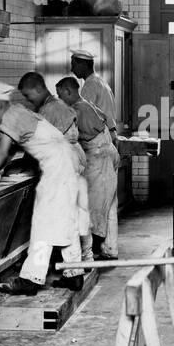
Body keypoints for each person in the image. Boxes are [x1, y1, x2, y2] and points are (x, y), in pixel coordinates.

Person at [0, 79, 86, 296]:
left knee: (44, 223)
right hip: (67, 163)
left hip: (56, 170)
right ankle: (74, 274)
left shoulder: (10, 117)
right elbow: (30, 145)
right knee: (66, 219)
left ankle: (30, 279)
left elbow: (2, 153)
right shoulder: (19, 111)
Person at [18, 70, 93, 268]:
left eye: (28, 95)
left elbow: (40, 142)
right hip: (73, 162)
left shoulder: (49, 110)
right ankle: (77, 266)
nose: (28, 100)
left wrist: (23, 163)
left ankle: (37, 271)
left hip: (65, 167)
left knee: (53, 219)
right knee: (72, 216)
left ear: (39, 89)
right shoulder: (57, 105)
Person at [56, 76, 119, 260]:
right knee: (109, 206)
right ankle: (110, 249)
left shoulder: (77, 109)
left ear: (68, 91)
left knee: (92, 207)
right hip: (108, 153)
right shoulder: (87, 104)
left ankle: (89, 255)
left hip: (99, 158)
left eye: (60, 94)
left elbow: (69, 137)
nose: (59, 99)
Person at [69, 49, 117, 138]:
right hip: (109, 133)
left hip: (102, 137)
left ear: (83, 65)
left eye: (74, 65)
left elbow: (83, 115)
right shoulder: (98, 80)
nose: (72, 69)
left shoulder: (91, 84)